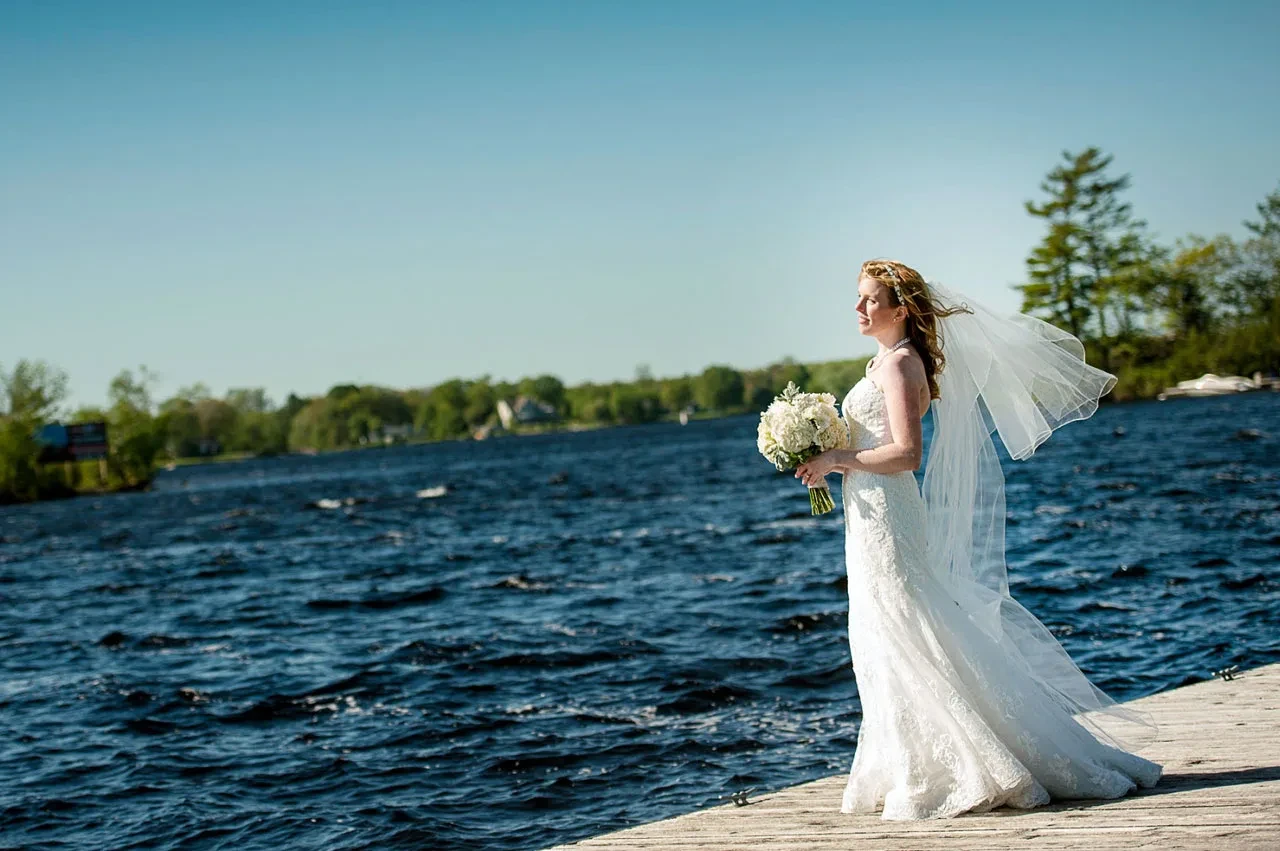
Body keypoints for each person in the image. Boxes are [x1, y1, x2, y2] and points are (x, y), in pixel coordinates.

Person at [794, 259, 1162, 820]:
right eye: (859, 297)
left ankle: (973, 761)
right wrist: (828, 460)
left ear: (900, 309)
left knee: (906, 623)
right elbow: (877, 446)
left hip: (889, 514)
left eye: (870, 299)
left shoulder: (900, 364)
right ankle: (909, 761)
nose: (859, 307)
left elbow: (907, 454)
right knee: (884, 627)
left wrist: (839, 456)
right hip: (867, 512)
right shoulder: (883, 363)